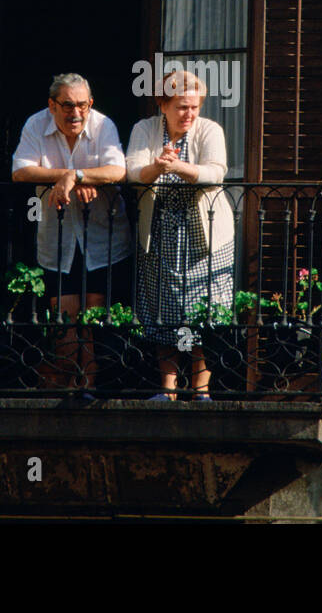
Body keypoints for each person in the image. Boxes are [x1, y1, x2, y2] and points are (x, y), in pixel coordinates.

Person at [11, 73, 132, 396]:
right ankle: (64, 387)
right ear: (52, 106)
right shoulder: (36, 125)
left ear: (90, 104)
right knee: (64, 315)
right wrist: (67, 176)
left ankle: (87, 386)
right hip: (58, 237)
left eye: (82, 105)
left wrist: (76, 175)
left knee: (91, 316)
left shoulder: (102, 125)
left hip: (102, 237)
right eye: (67, 105)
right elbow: (20, 170)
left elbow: (118, 170)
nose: (75, 113)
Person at [125, 69, 234, 400]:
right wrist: (158, 167)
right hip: (160, 233)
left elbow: (216, 173)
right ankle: (168, 389)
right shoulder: (145, 129)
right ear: (163, 104)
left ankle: (201, 390)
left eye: (194, 107)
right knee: (162, 310)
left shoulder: (209, 130)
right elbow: (132, 172)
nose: (189, 114)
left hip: (206, 234)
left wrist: (178, 167)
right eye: (182, 107)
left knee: (203, 311)